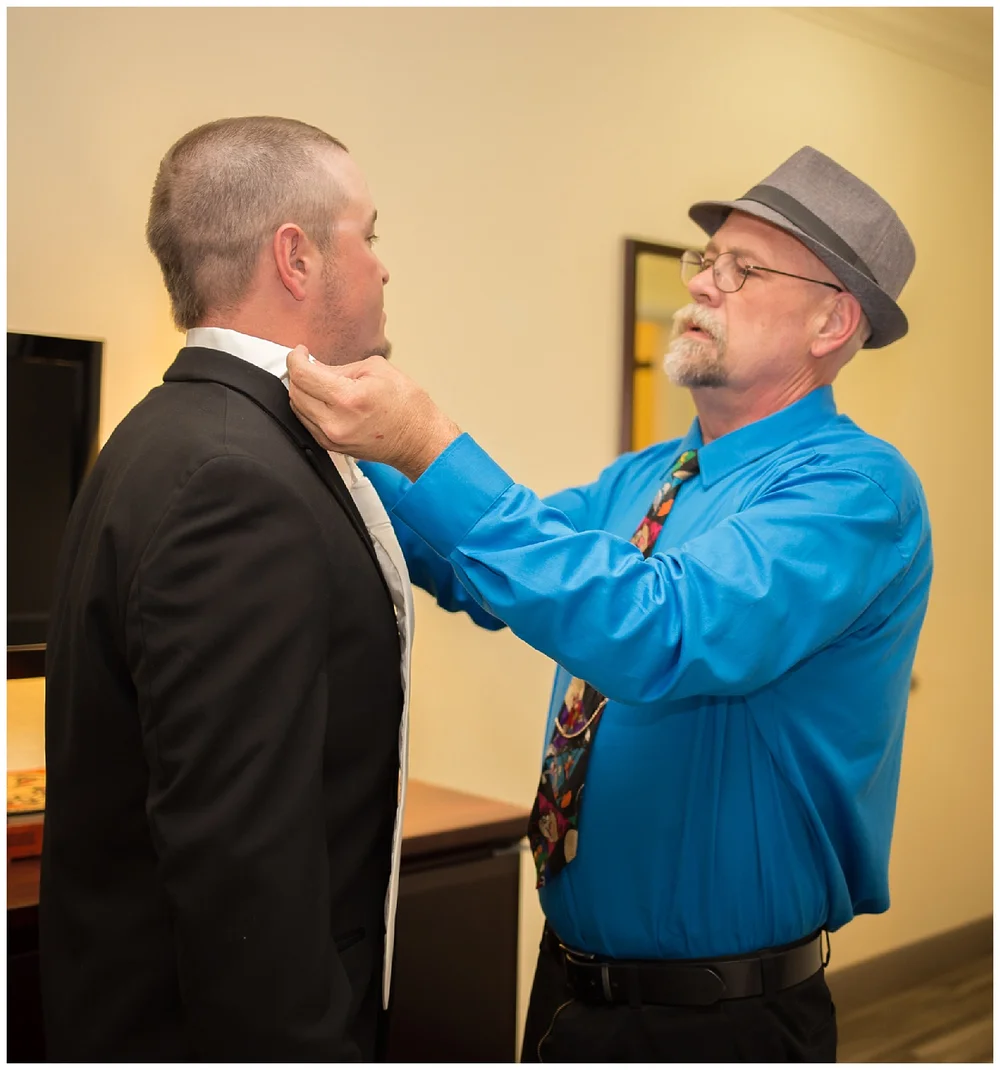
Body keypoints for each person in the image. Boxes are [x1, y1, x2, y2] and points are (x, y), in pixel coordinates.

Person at [286, 146, 933, 1062]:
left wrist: (432, 446)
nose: (704, 283)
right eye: (705, 260)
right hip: (573, 991)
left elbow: (663, 631)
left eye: (742, 268)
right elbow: (487, 568)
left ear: (834, 321)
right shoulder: (650, 479)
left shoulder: (856, 492)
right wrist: (359, 451)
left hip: (720, 1025)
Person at [40, 116, 412, 1061]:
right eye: (368, 234)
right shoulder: (236, 480)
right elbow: (244, 866)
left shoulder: (172, 433)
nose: (380, 266)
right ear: (296, 257)